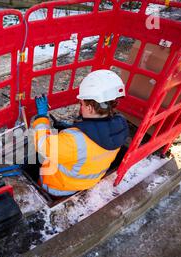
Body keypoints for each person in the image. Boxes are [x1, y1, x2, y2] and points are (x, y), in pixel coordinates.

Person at [31, 69, 129, 197]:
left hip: (57, 188)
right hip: (86, 183)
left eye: (81, 103)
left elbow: (42, 145)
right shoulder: (120, 126)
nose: (80, 107)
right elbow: (97, 136)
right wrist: (74, 128)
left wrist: (41, 118)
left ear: (89, 107)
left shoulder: (73, 141)